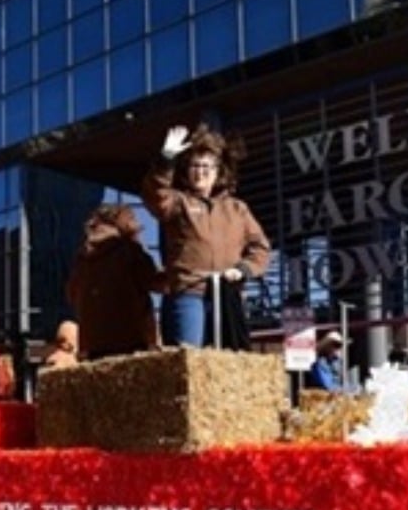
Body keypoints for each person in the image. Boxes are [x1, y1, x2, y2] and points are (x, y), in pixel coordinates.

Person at [141, 123, 271, 348]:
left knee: (230, 358)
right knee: (191, 357)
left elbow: (260, 247)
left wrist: (242, 270)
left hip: (227, 294)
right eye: (194, 166)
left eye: (206, 167)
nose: (200, 172)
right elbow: (156, 196)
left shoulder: (237, 209)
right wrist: (166, 160)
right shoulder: (179, 203)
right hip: (191, 291)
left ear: (218, 172)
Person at [66, 204, 160, 361]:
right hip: (131, 339)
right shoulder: (129, 252)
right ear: (120, 222)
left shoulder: (82, 259)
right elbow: (155, 282)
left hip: (93, 345)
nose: (136, 223)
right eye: (132, 218)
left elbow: (71, 294)